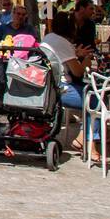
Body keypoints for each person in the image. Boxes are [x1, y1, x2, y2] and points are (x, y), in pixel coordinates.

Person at [41, 12, 100, 163]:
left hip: (48, 86)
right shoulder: (63, 43)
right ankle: (88, 142)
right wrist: (86, 60)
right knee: (96, 101)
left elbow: (62, 57)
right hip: (62, 88)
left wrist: (75, 53)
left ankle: (84, 139)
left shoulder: (48, 38)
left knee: (92, 96)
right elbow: (78, 72)